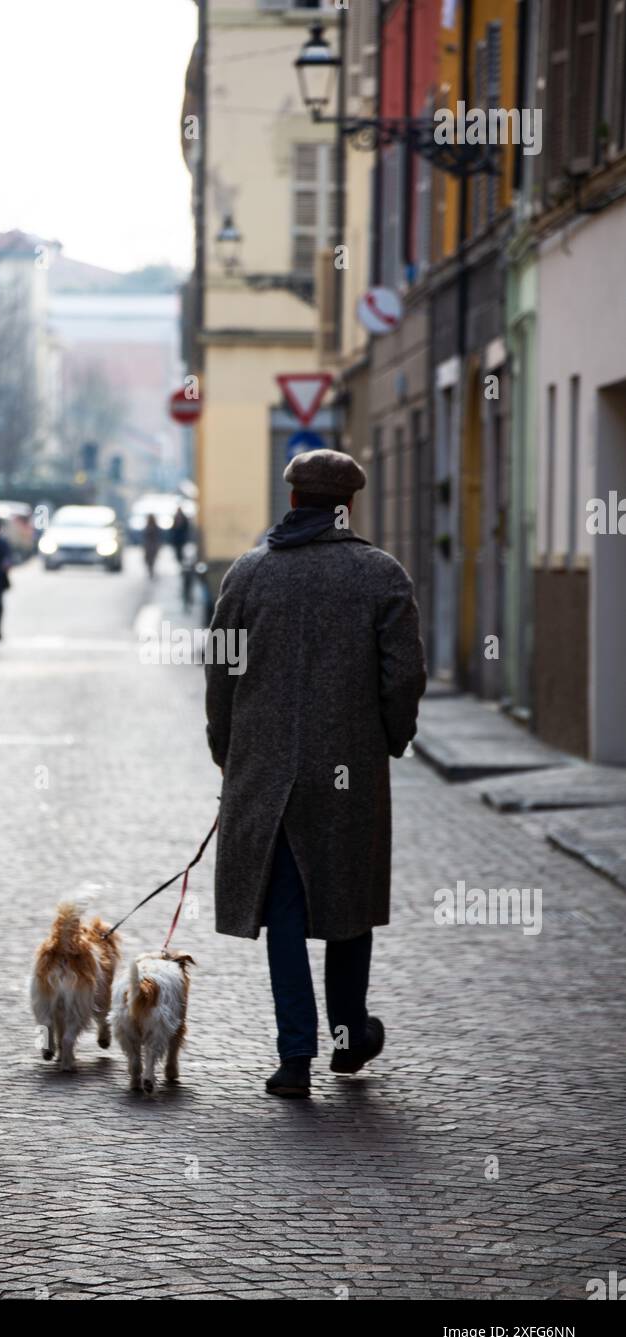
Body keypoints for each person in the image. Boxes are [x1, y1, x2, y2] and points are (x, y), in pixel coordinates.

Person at [204, 449, 426, 1099]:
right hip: (348, 773)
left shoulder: (246, 576)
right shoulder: (380, 575)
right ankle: (350, 1035)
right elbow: (404, 675)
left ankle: (294, 1057)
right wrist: (392, 737)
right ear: (346, 506)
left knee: (286, 914)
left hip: (267, 773)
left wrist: (229, 752)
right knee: (348, 905)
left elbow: (220, 675)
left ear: (292, 498)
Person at [142, 513, 161, 579]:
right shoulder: (148, 526)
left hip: (152, 545)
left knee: (151, 559)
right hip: (149, 545)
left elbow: (158, 536)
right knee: (148, 559)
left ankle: (151, 570)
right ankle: (150, 570)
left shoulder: (154, 527)